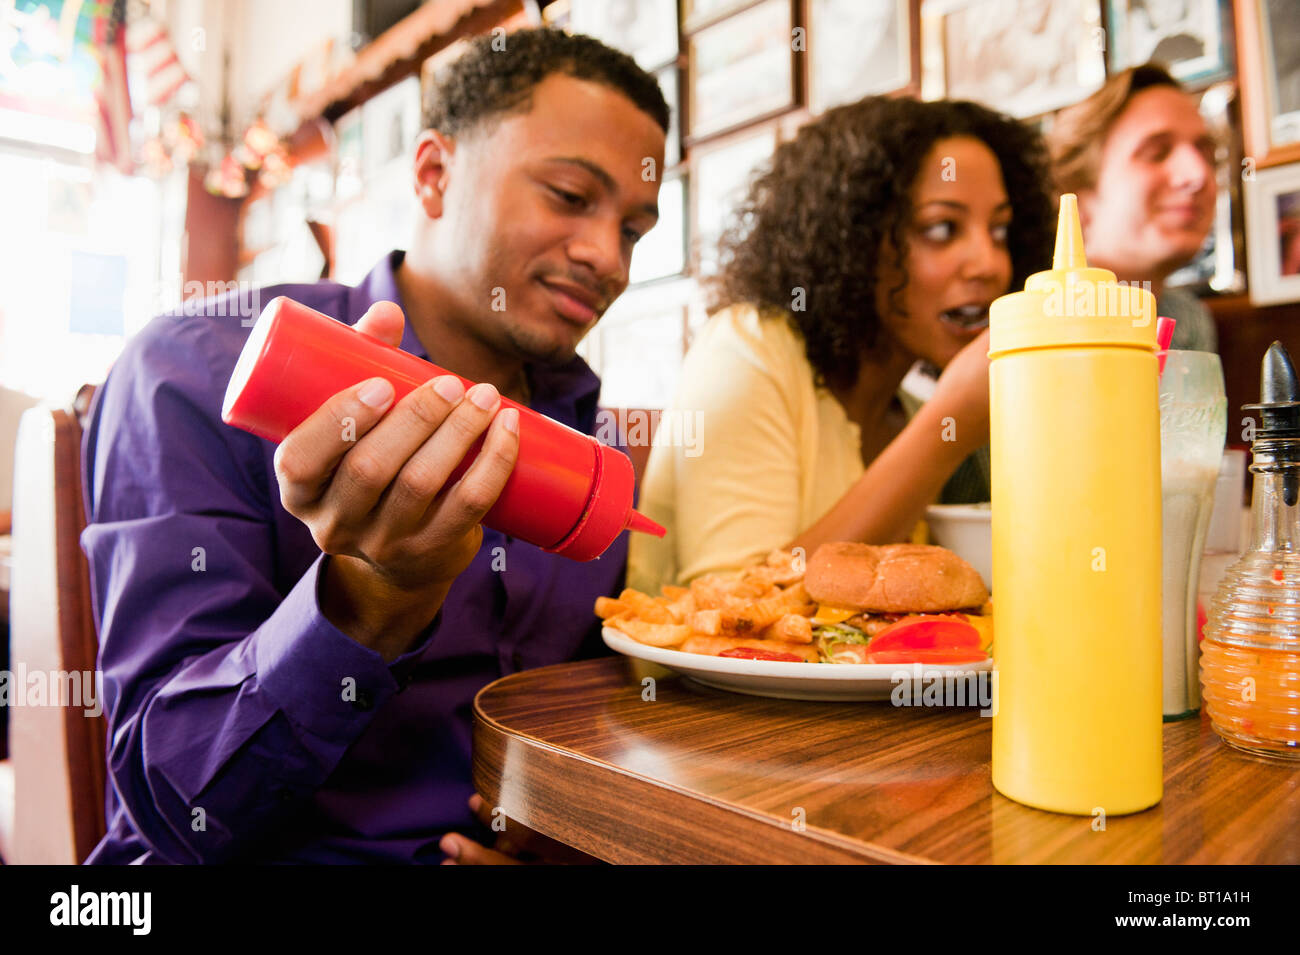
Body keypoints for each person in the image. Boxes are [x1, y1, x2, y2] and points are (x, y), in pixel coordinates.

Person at [81, 28, 666, 864]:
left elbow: (584, 721)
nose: (607, 257)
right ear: (433, 173)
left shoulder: (585, 435)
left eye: (636, 231)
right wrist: (367, 599)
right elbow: (178, 805)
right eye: (571, 195)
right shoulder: (198, 370)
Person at [628, 97, 1054, 594]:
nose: (989, 264)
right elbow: (736, 612)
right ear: (853, 236)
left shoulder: (914, 410)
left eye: (1000, 231)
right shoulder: (745, 348)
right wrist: (947, 426)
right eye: (942, 228)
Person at [1048, 63, 1219, 352]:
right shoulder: (1039, 320)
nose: (1199, 175)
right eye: (1157, 153)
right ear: (1077, 197)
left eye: (1207, 154)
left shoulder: (1189, 320)